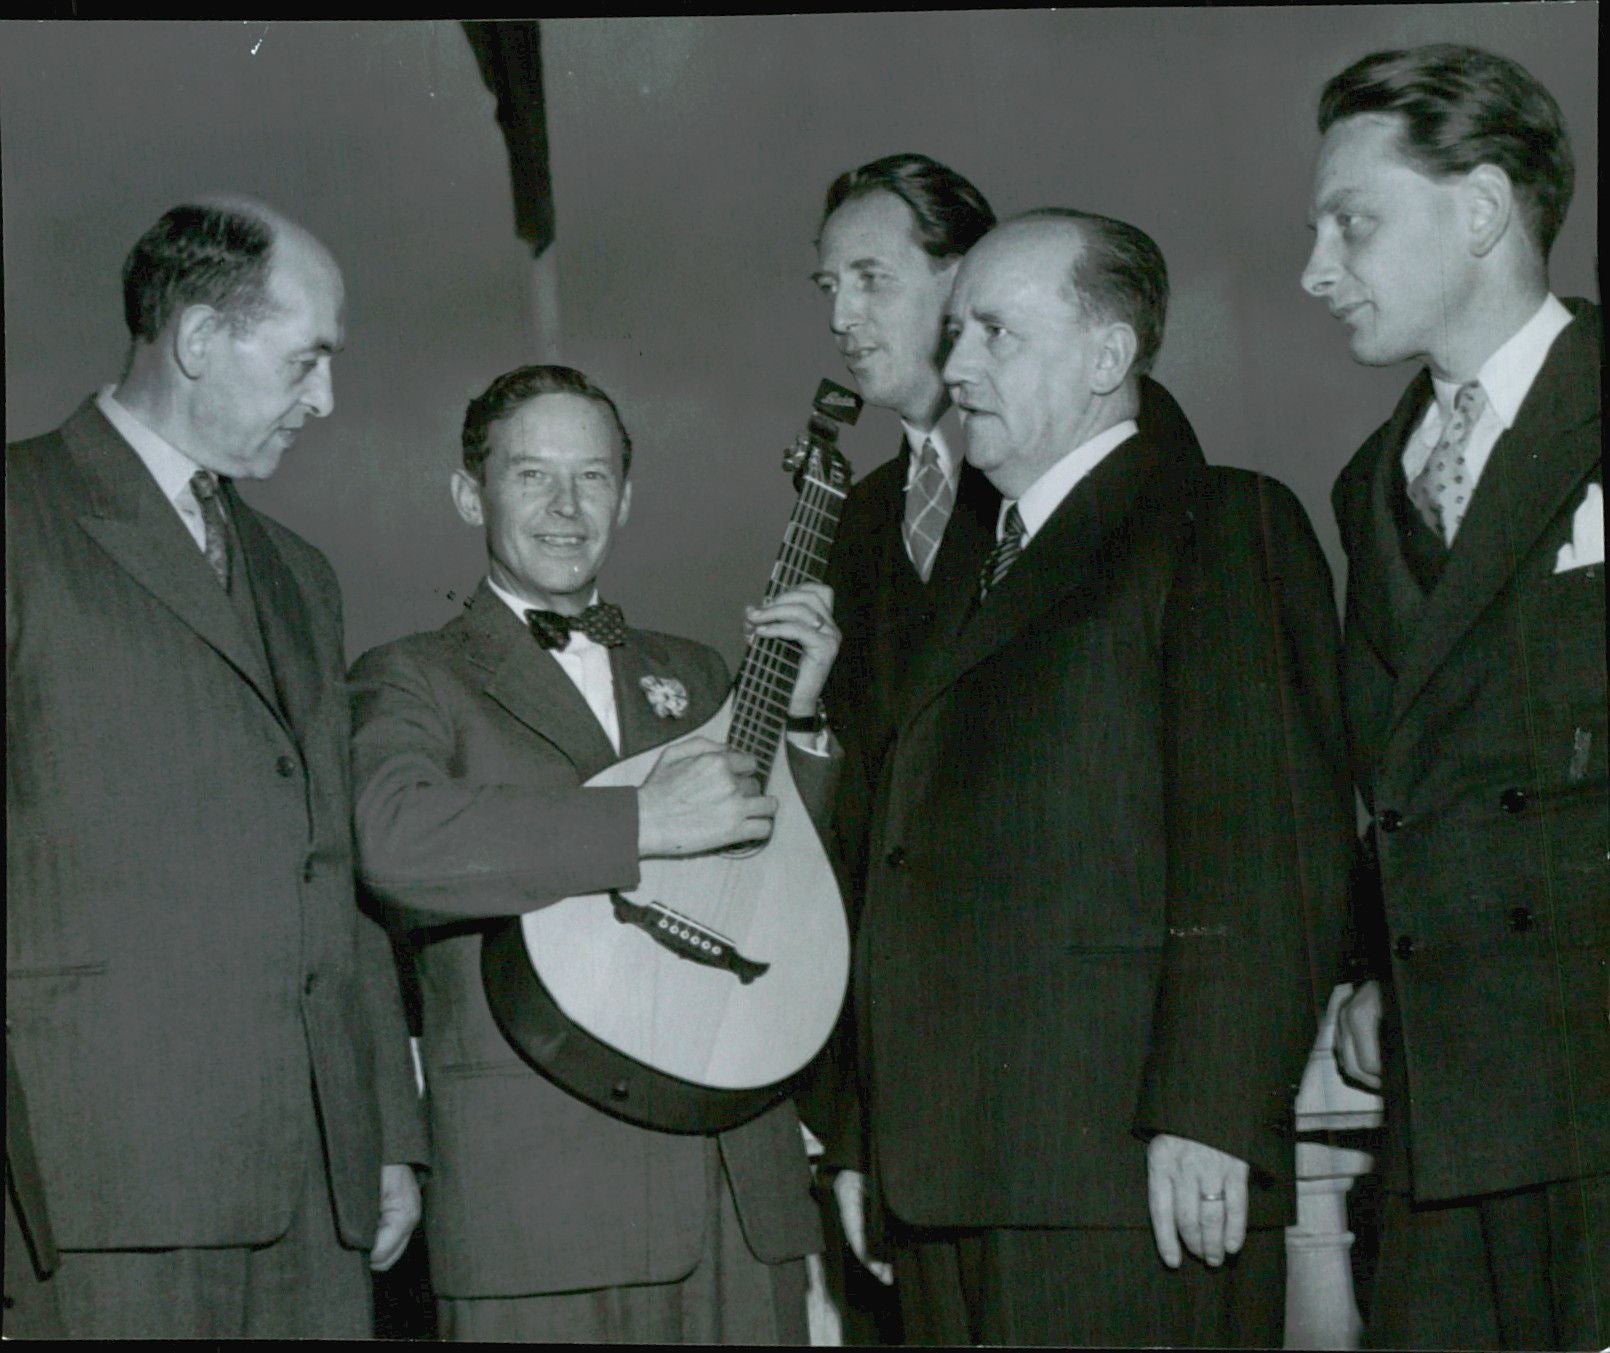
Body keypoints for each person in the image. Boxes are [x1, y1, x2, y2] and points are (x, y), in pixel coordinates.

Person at [834, 209, 1353, 1345]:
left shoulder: (1221, 524)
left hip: (1128, 1183)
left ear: (1108, 356)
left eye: (996, 334)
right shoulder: (964, 571)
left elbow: (1267, 849)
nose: (954, 366)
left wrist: (1211, 1111)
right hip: (949, 1178)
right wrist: (873, 1136)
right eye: (955, 332)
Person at [349, 363, 844, 1342]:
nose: (566, 507)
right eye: (531, 475)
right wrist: (640, 823)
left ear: (626, 497)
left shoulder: (699, 670)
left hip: (740, 1201)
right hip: (545, 1211)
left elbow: (788, 888)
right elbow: (393, 839)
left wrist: (799, 720)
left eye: (593, 476)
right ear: (469, 495)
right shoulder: (409, 677)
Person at [4, 199, 426, 1339]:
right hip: (91, 1191)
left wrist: (384, 1131)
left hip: (318, 1197)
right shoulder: (19, 512)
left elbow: (333, 869)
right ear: (197, 339)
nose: (326, 399)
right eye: (306, 360)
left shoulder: (301, 572)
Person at [1303, 43, 1606, 1350]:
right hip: (1445, 1120)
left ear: (1480, 208)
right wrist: (1376, 967)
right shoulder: (1366, 485)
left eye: (1350, 223)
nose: (1313, 270)